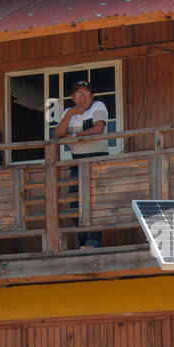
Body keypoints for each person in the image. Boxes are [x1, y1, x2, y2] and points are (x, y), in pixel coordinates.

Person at [54, 80, 109, 248]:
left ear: (92, 96)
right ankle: (83, 242)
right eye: (79, 93)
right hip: (76, 163)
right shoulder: (68, 112)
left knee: (92, 203)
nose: (83, 96)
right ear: (72, 97)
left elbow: (98, 128)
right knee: (75, 203)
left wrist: (76, 137)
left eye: (86, 93)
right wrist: (70, 113)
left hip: (96, 161)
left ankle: (94, 242)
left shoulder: (98, 106)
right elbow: (57, 134)